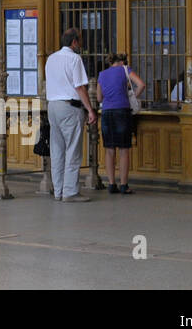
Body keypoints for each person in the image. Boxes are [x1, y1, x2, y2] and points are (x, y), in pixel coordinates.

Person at [45, 27, 98, 202]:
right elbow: (80, 87)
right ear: (74, 42)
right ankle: (70, 191)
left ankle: (58, 190)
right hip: (70, 107)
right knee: (73, 150)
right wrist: (90, 110)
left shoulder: (51, 59)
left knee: (57, 150)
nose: (81, 44)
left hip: (52, 106)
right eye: (80, 41)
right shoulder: (74, 59)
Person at [98, 52, 145, 194]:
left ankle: (111, 184)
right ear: (123, 62)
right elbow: (141, 85)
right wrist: (131, 96)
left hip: (106, 112)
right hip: (122, 112)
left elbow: (99, 97)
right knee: (124, 149)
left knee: (109, 149)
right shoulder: (126, 70)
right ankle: (124, 185)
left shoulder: (102, 74)